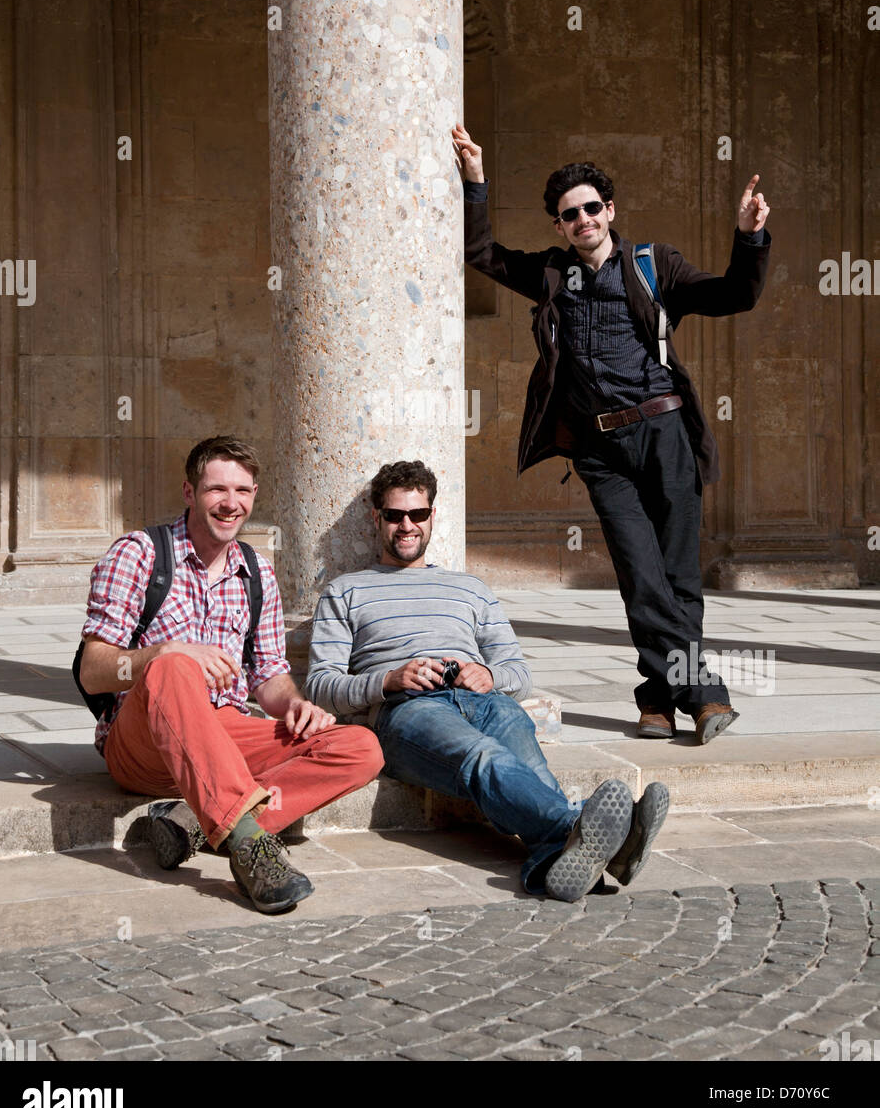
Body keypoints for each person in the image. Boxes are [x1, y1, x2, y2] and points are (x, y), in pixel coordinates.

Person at [452, 122, 772, 745]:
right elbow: (481, 253)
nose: (583, 221)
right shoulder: (549, 274)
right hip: (600, 450)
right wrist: (476, 184)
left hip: (665, 434)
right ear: (559, 227)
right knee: (640, 574)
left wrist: (751, 238)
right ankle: (703, 694)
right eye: (570, 215)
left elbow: (736, 295)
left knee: (678, 578)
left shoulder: (656, 266)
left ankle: (657, 699)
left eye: (592, 208)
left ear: (610, 210)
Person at [304, 460, 669, 902]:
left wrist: (489, 674)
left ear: (432, 517)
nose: (406, 526)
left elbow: (519, 674)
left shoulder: (470, 588)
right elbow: (321, 685)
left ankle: (559, 858)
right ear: (376, 518)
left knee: (529, 768)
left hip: (487, 702)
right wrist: (389, 679)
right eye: (395, 515)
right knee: (484, 757)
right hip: (409, 710)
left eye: (417, 515)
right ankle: (595, 836)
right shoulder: (346, 591)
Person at [78, 435, 383, 914]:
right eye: (217, 490)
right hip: (144, 744)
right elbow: (94, 672)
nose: (230, 503)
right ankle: (250, 848)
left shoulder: (257, 571)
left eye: (242, 491)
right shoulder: (138, 554)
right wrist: (168, 650)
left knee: (360, 748)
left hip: (224, 732)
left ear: (254, 496)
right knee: (173, 668)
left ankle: (191, 822)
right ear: (189, 493)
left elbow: (269, 677)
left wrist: (296, 705)